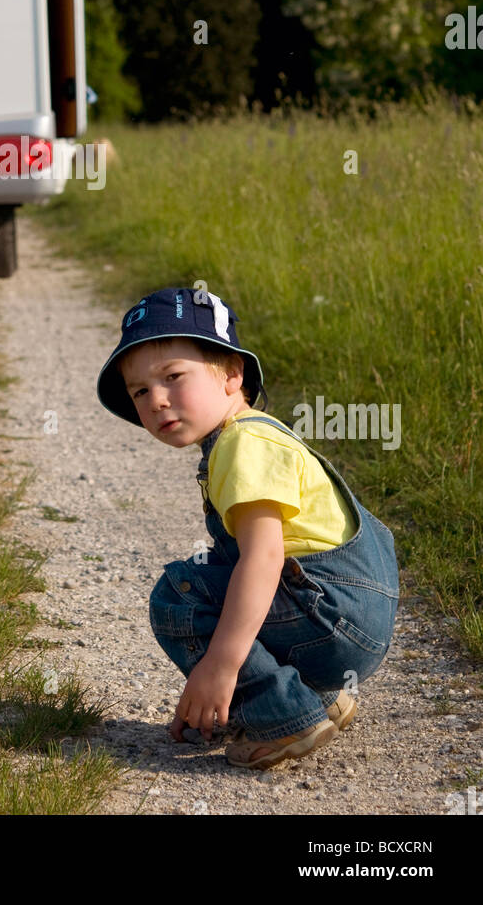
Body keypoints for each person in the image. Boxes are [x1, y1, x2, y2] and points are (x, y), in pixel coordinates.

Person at [95, 286, 400, 771]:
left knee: (179, 597)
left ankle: (283, 716)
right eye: (140, 391)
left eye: (173, 376)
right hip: (347, 619)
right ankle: (313, 698)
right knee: (219, 572)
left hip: (331, 618)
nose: (157, 400)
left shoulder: (243, 444)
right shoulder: (250, 434)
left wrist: (220, 666)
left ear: (232, 374)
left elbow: (263, 558)